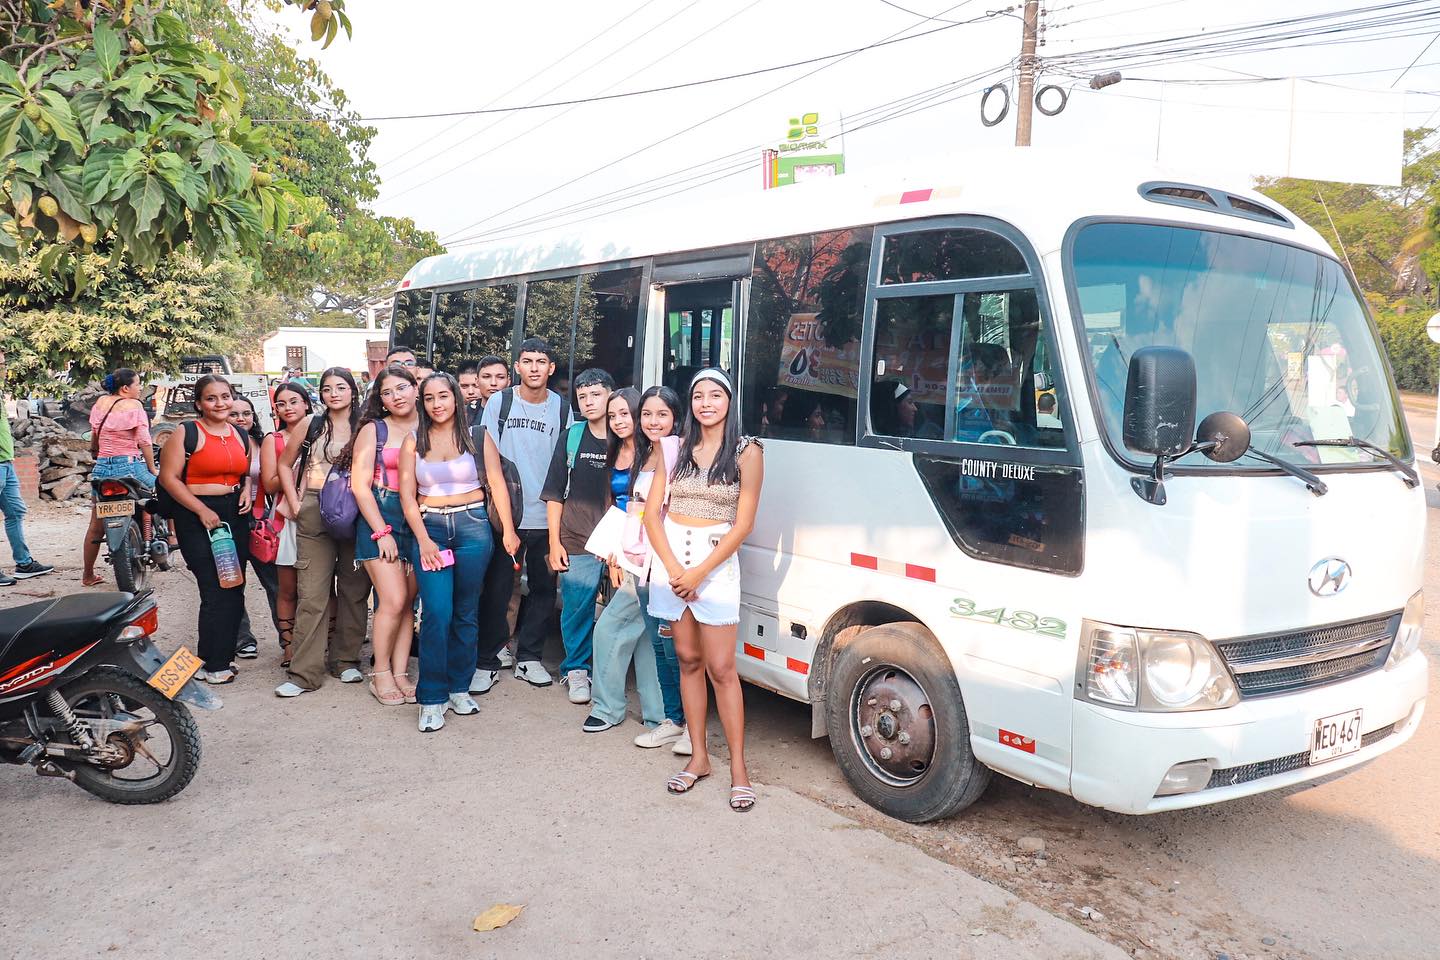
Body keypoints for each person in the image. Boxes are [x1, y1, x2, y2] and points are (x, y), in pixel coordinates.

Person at [644, 369, 763, 812]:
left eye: (715, 395)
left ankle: (738, 769)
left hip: (715, 566)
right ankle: (698, 758)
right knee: (688, 661)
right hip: (672, 566)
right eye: (698, 396)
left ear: (729, 401)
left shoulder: (747, 451)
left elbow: (744, 523)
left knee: (722, 668)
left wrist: (699, 573)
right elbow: (652, 515)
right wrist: (676, 570)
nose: (706, 403)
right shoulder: (672, 448)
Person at [399, 373, 518, 733]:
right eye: (430, 398)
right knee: (437, 613)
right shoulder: (413, 441)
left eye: (444, 397)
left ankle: (459, 687)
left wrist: (509, 532)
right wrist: (423, 540)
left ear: (456, 398)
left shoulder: (477, 436)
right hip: (430, 526)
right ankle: (431, 698)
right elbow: (407, 496)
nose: (438, 404)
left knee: (467, 612)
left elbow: (496, 484)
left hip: (473, 527)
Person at [474, 337, 572, 690]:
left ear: (551, 368)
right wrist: (503, 521)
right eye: (527, 361)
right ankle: (486, 659)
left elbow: (564, 463)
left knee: (544, 590)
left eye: (540, 362)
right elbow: (490, 463)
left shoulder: (562, 408)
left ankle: (529, 658)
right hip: (508, 515)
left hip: (547, 516)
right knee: (498, 590)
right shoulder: (500, 402)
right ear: (517, 366)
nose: (534, 368)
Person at [274, 367, 372, 698]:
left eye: (340, 387)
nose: (334, 394)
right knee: (312, 593)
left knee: (354, 589)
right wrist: (295, 502)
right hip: (315, 508)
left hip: (356, 508)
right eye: (327, 388)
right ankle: (304, 673)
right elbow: (284, 464)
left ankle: (345, 660)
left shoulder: (367, 425)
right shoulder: (311, 424)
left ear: (353, 391)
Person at [582, 388, 669, 735]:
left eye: (625, 414)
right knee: (647, 637)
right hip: (622, 548)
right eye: (613, 415)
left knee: (609, 628)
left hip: (647, 553)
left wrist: (627, 552)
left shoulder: (655, 453)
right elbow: (616, 505)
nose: (619, 422)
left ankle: (607, 708)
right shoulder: (617, 449)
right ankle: (658, 714)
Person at [158, 374, 252, 684]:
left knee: (234, 586)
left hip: (232, 516)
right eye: (211, 398)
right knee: (213, 588)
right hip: (195, 515)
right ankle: (213, 664)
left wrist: (246, 488)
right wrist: (201, 510)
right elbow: (168, 479)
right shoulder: (186, 433)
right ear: (199, 403)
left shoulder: (239, 433)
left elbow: (244, 470)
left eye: (225, 396)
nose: (220, 403)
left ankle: (218, 658)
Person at [346, 365, 421, 705]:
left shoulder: (430, 425)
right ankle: (381, 673)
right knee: (391, 600)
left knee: (407, 603)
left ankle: (401, 671)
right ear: (380, 399)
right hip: (382, 511)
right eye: (387, 392)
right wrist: (382, 532)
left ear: (415, 388)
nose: (396, 396)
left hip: (420, 517)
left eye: (402, 388)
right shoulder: (374, 430)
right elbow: (359, 487)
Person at [543, 367, 615, 705]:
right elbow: (555, 493)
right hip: (576, 537)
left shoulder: (627, 436)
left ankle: (612, 676)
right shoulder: (571, 437)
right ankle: (576, 671)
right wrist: (554, 542)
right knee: (576, 609)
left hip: (619, 545)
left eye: (596, 394)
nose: (588, 402)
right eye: (582, 396)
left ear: (612, 396)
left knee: (621, 616)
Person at [629, 385, 688, 752]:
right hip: (641, 564)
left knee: (675, 648)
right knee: (656, 643)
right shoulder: (644, 454)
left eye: (662, 415)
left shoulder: (680, 455)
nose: (653, 421)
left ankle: (688, 726)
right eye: (647, 414)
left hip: (668, 563)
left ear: (676, 419)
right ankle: (672, 719)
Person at [83, 368, 158, 587]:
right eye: (138, 385)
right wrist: (153, 469)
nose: (140, 389)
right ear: (126, 388)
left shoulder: (101, 403)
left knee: (95, 526)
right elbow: (144, 440)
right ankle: (171, 537)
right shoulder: (134, 406)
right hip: (130, 467)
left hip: (102, 470)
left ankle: (87, 575)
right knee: (167, 490)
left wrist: (96, 452)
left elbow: (95, 435)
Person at [262, 381, 312, 667]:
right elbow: (269, 484)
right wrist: (296, 468)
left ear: (306, 403)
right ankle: (289, 645)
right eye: (281, 404)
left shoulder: (322, 431)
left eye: (293, 401)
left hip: (320, 514)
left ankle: (325, 641)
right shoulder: (274, 440)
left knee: (322, 587)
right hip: (286, 518)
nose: (288, 408)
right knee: (288, 587)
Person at [230, 395, 281, 661]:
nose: (241, 418)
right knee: (233, 582)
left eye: (246, 413)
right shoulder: (220, 444)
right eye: (234, 413)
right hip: (230, 520)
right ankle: (242, 639)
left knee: (276, 584)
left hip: (262, 521)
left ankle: (287, 638)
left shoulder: (264, 443)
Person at [0, 348, 53, 587]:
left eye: (3, 364)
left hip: (6, 462)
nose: (3, 369)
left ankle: (24, 563)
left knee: (16, 512)